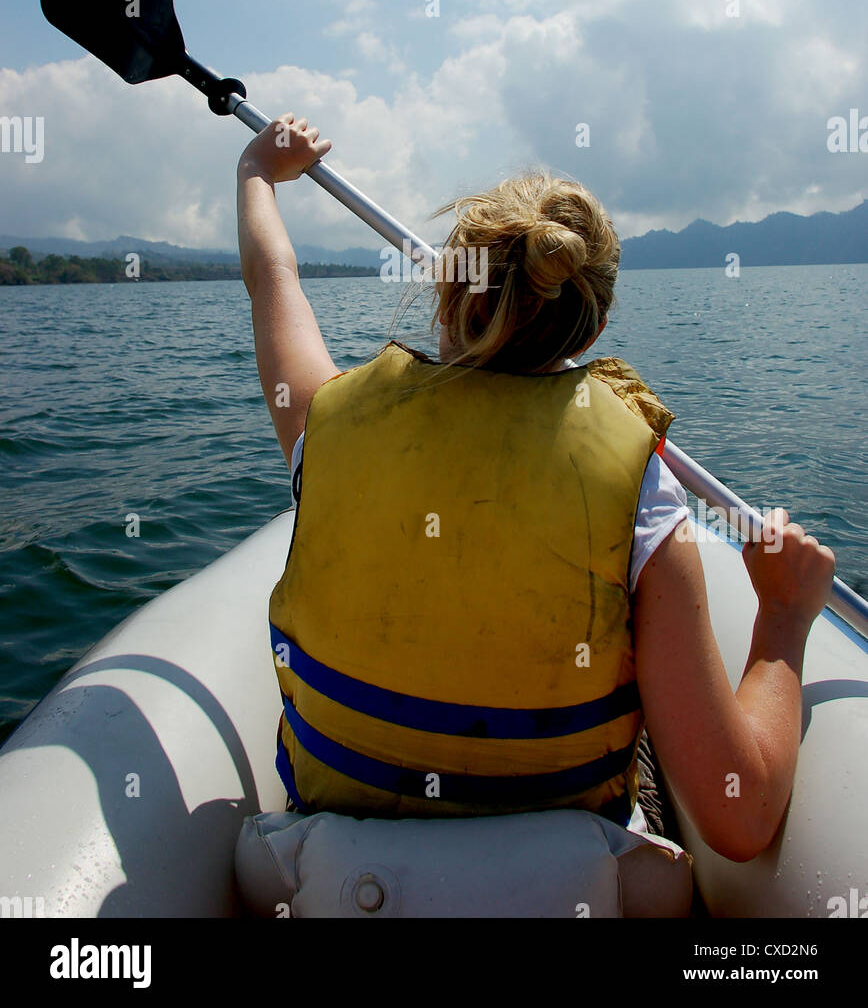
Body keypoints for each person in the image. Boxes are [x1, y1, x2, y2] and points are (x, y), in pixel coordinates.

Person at [237, 113, 836, 863]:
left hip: (336, 877)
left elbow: (274, 278)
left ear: (446, 291)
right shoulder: (639, 488)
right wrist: (782, 621)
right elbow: (738, 820)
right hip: (568, 883)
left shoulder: (325, 424)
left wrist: (257, 173)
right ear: (592, 330)